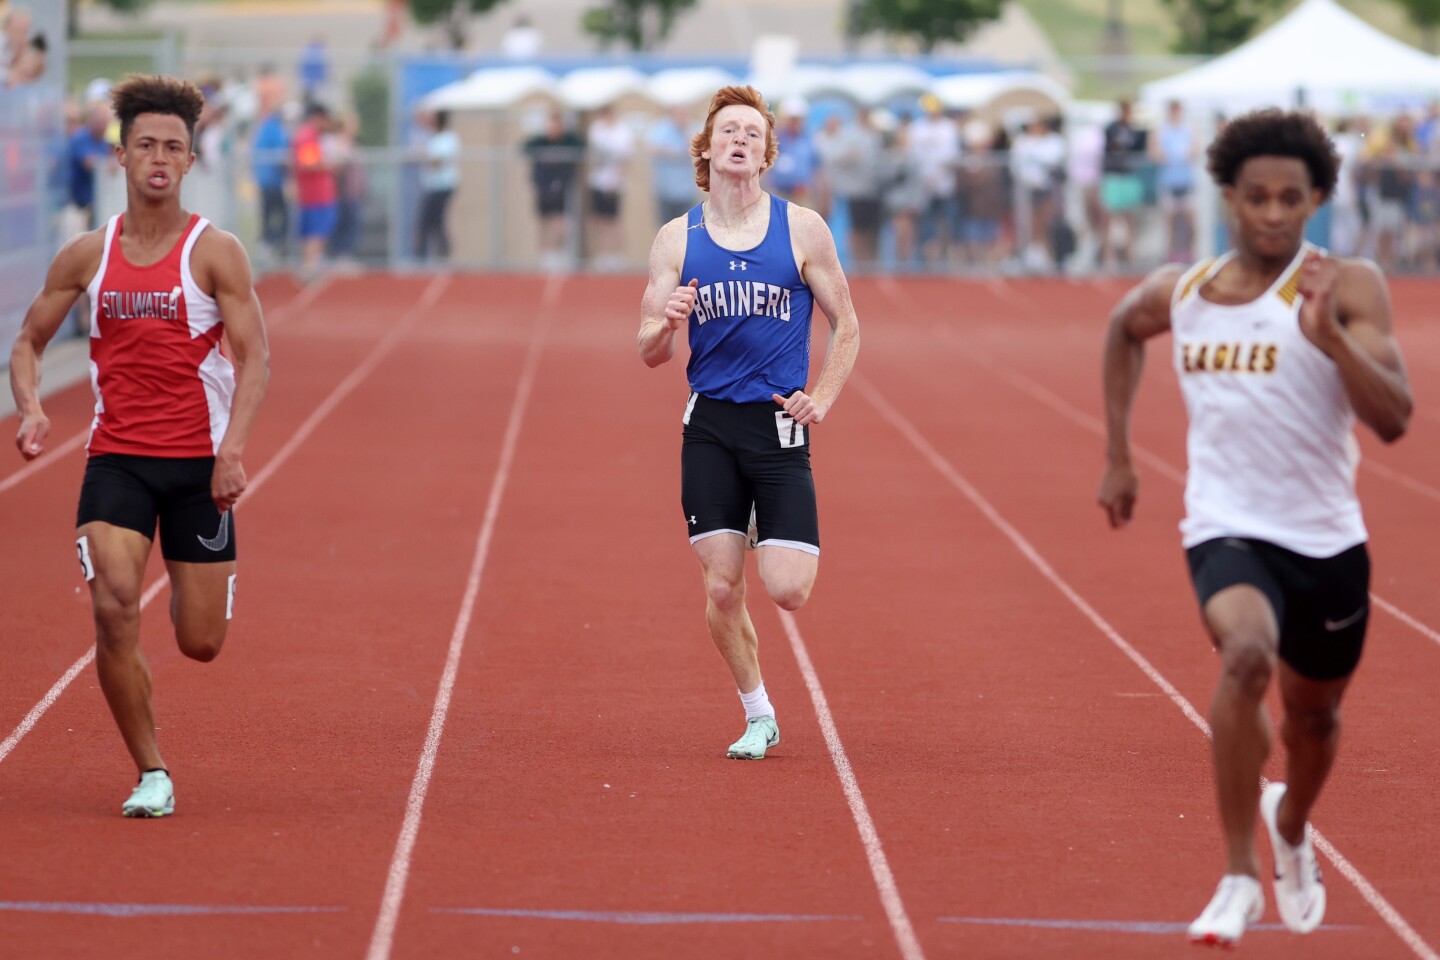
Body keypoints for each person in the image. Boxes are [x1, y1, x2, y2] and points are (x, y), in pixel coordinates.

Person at [1098, 109, 1412, 948]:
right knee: (1243, 659)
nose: (1273, 214)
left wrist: (1334, 342)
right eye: (1257, 198)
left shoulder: (1347, 286)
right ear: (1229, 198)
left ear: (1315, 200)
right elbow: (1123, 328)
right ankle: (1238, 876)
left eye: (1291, 199)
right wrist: (1119, 454)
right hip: (1226, 527)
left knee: (1314, 721)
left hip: (1328, 543)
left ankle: (1292, 826)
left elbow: (1396, 418)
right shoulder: (1187, 291)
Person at [8, 74, 270, 818]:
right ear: (120, 156)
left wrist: (233, 451)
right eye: (146, 144)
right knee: (115, 608)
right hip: (115, 460)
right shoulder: (87, 255)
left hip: (198, 469)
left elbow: (257, 359)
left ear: (191, 162)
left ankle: (205, 592)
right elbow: (27, 342)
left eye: (174, 147)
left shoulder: (216, 253)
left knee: (201, 641)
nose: (159, 157)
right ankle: (151, 770)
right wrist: (30, 409)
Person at [637, 85, 860, 760]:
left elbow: (846, 323)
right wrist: (666, 324)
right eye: (728, 131)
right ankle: (759, 713)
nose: (740, 140)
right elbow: (649, 350)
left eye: (753, 134)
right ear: (707, 149)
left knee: (788, 591)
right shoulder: (678, 237)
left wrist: (821, 395)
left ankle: (765, 517)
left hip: (778, 425)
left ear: (766, 154)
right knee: (724, 585)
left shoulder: (803, 229)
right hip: (710, 425)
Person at [523, 110, 584, 269]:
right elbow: (525, 147)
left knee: (560, 222)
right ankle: (545, 253)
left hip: (561, 187)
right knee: (543, 221)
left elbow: (581, 145)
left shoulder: (568, 141)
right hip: (543, 187)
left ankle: (558, 251)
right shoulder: (541, 141)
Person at [584, 103, 634, 270]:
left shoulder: (622, 131)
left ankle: (616, 254)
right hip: (598, 181)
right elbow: (593, 154)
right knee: (599, 219)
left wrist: (617, 180)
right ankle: (602, 254)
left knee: (614, 220)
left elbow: (624, 159)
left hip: (615, 183)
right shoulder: (596, 129)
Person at [292, 101, 337, 278]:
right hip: (316, 194)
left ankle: (310, 266)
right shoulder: (308, 136)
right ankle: (310, 268)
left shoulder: (310, 136)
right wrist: (329, 165)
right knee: (316, 232)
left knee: (313, 232)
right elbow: (308, 163)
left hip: (313, 193)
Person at [414, 108, 459, 262]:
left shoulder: (447, 138)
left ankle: (439, 255)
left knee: (433, 221)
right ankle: (425, 256)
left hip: (442, 186)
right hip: (433, 185)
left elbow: (437, 162)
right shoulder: (434, 137)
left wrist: (424, 156)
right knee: (429, 221)